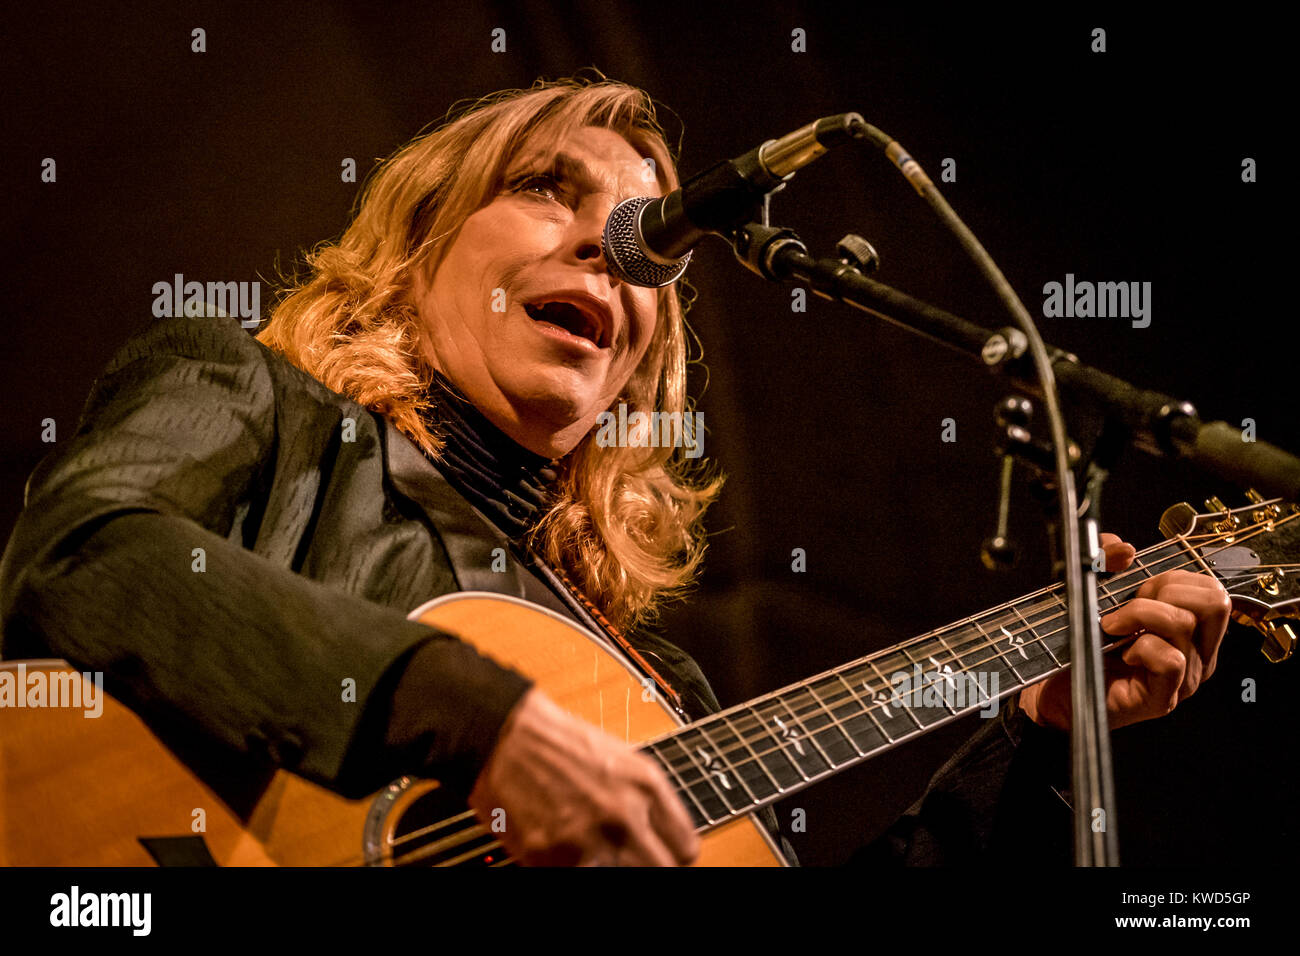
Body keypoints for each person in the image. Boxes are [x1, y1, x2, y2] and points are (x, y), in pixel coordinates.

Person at [0, 75, 1231, 867]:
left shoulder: (652, 684)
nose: (608, 243)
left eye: (650, 246)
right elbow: (88, 551)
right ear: (417, 245)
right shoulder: (253, 402)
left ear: (646, 352)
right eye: (545, 189)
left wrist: (1040, 738)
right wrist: (476, 721)